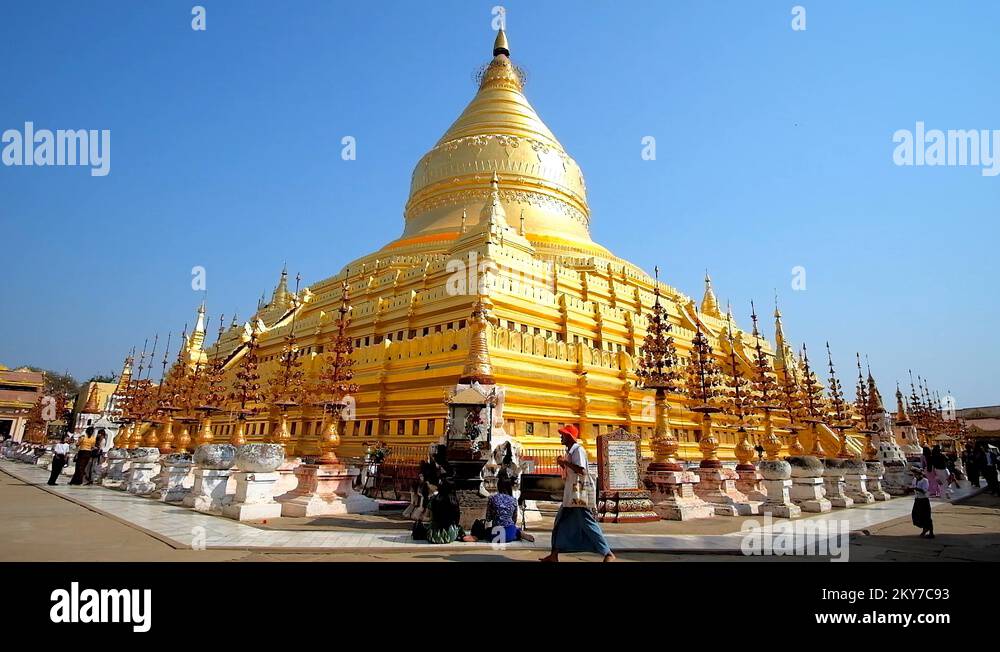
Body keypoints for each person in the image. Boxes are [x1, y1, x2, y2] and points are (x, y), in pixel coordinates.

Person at [540, 425, 615, 562]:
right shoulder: (571, 451)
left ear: (569, 437)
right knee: (561, 522)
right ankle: (554, 554)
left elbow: (582, 470)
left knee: (587, 522)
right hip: (571, 494)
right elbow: (572, 471)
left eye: (563, 435)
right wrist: (563, 463)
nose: (561, 437)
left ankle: (607, 553)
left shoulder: (578, 450)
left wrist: (565, 462)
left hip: (579, 495)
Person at [471, 469, 535, 543]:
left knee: (486, 531)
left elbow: (488, 518)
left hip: (496, 534)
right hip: (510, 533)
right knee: (514, 528)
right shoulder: (513, 500)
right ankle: (519, 533)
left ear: (498, 486)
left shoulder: (492, 498)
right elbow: (514, 520)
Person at [910, 467, 934, 538]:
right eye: (914, 474)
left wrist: (916, 488)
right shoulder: (914, 480)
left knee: (926, 516)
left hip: (924, 500)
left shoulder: (925, 481)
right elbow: (913, 488)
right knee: (916, 515)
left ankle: (931, 532)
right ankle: (925, 528)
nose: (915, 476)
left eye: (916, 474)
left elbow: (924, 491)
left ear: (920, 474)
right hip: (917, 499)